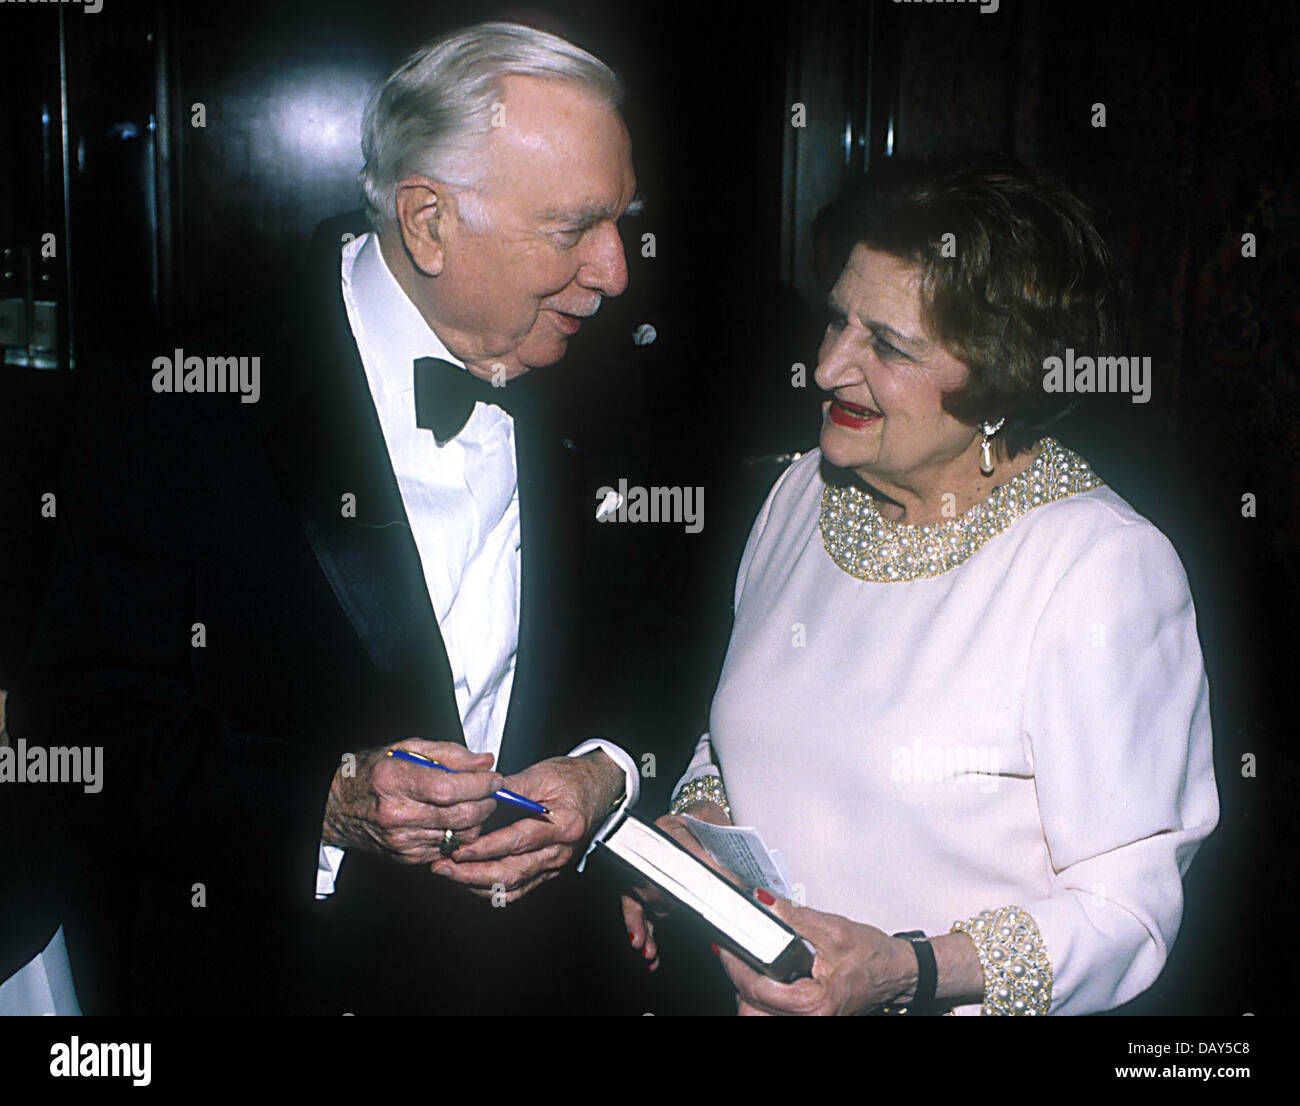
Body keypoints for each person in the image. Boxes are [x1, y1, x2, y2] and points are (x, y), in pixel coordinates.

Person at [8, 21, 648, 1015]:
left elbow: (673, 645)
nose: (615, 272)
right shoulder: (173, 403)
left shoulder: (625, 388)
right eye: (574, 228)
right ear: (427, 220)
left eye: (622, 221)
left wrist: (607, 772)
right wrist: (326, 799)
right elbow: (80, 722)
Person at [622, 156, 1219, 1015]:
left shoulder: (1098, 569)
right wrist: (699, 833)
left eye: (887, 347)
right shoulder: (800, 493)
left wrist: (907, 971)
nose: (829, 367)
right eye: (837, 321)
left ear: (1001, 379)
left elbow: (1130, 914)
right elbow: (737, 742)